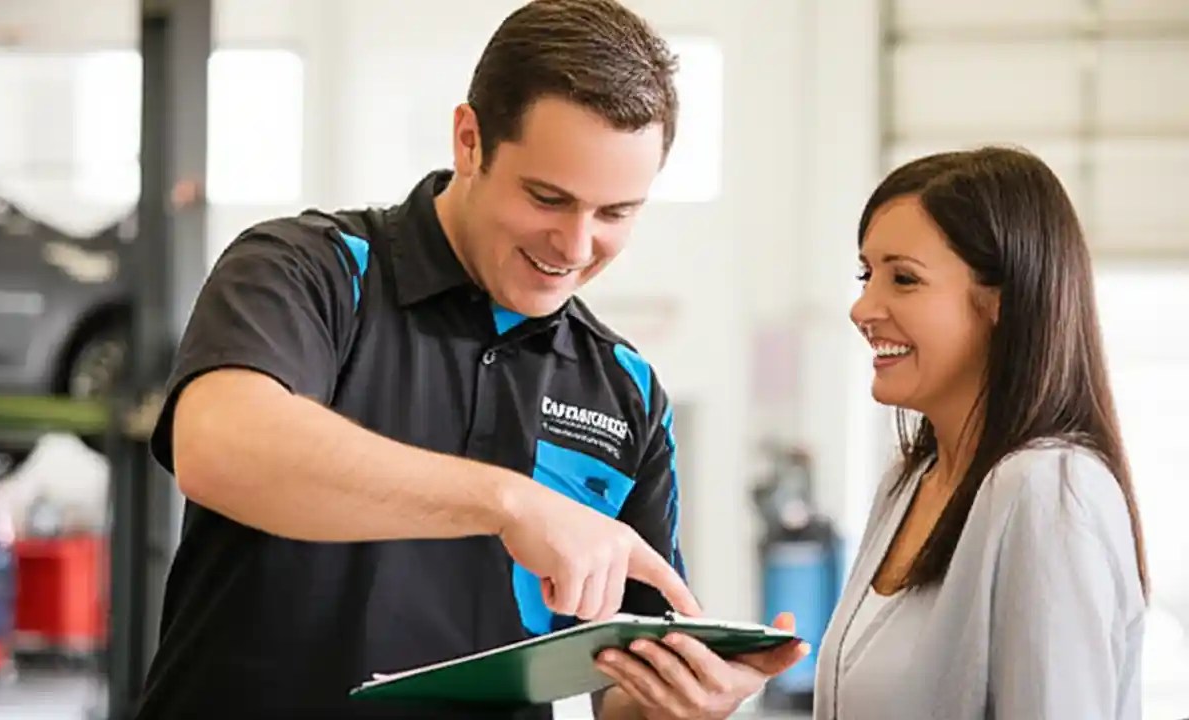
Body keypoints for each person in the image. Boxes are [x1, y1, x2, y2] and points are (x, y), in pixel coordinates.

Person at [133, 1, 805, 718]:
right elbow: (218, 444)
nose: (575, 249)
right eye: (548, 198)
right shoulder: (310, 272)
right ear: (469, 140)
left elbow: (621, 688)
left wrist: (684, 701)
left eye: (615, 213)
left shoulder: (626, 392)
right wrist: (507, 502)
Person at [816, 146, 1148, 719]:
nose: (863, 307)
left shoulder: (1048, 490)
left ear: (1003, 299)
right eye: (866, 274)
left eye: (904, 279)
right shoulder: (908, 481)